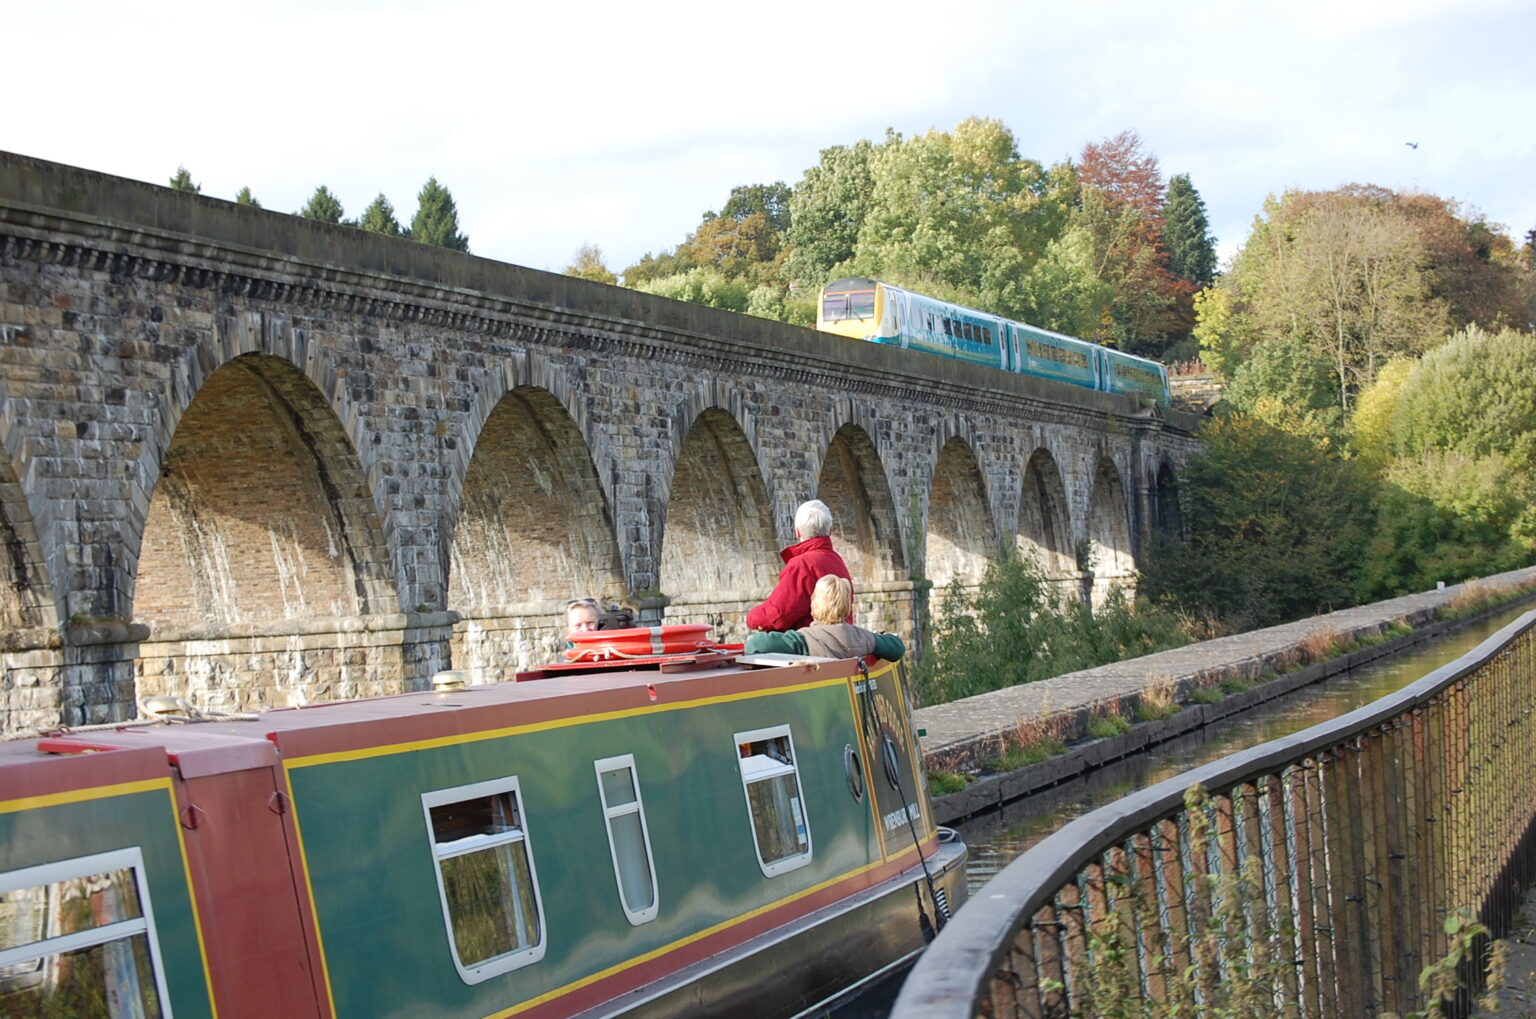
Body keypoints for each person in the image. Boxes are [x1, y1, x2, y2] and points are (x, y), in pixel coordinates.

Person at [745, 499, 852, 632]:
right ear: (830, 530)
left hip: (811, 645)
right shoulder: (837, 560)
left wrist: (752, 617)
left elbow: (778, 615)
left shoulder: (801, 565)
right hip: (841, 638)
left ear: (797, 532)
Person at [744, 576, 903, 661]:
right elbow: (897, 648)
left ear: (814, 603)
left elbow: (756, 645)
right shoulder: (864, 638)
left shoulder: (802, 641)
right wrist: (875, 639)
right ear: (847, 605)